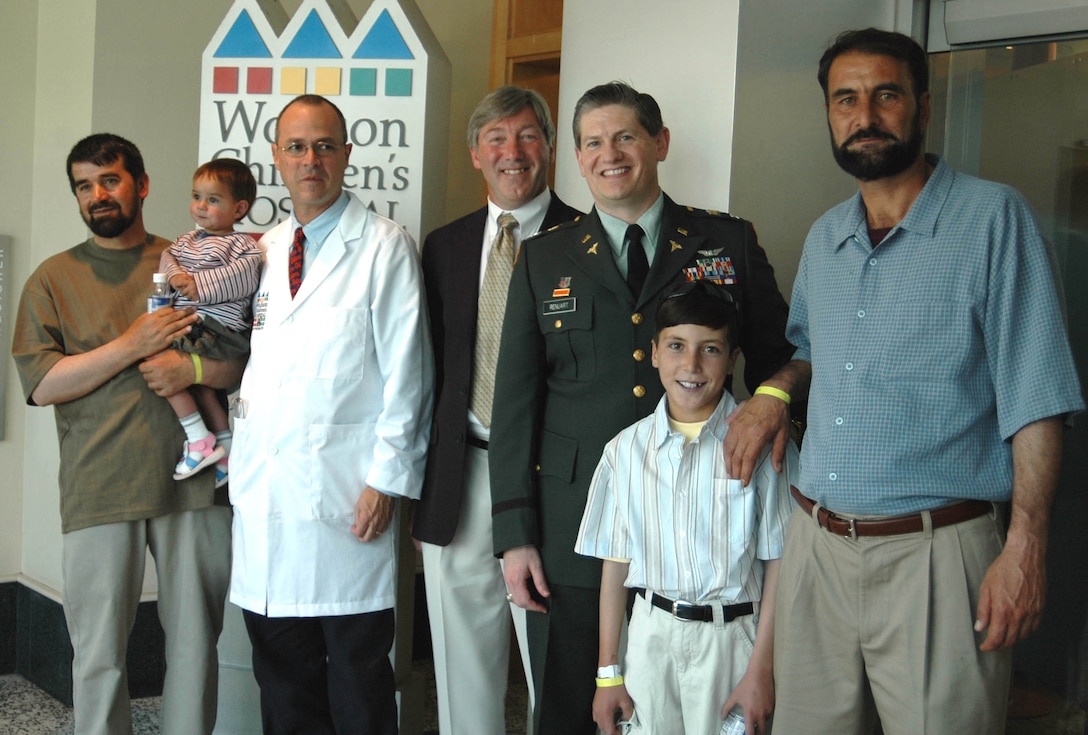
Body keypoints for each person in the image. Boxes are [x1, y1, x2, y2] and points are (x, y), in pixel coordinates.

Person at [769, 29, 1085, 734]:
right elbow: (817, 353)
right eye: (846, 99)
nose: (866, 114)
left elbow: (1038, 399)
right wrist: (774, 393)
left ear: (924, 106)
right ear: (829, 114)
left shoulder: (993, 220)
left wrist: (1025, 546)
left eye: (886, 94)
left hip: (937, 556)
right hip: (816, 548)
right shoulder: (825, 238)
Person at [489, 81, 796, 734]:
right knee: (575, 711)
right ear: (576, 157)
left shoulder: (726, 242)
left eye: (626, 136)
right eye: (593, 142)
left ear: (658, 143)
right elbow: (515, 403)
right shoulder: (546, 257)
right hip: (577, 528)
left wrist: (775, 410)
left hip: (706, 533)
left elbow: (780, 360)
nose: (611, 153)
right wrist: (514, 535)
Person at [12, 133, 238, 735]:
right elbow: (43, 384)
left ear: (140, 184)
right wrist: (131, 346)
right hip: (99, 485)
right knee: (99, 657)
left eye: (108, 180)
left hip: (195, 485)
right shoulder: (51, 279)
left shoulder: (192, 264)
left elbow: (239, 364)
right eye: (84, 186)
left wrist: (188, 368)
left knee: (195, 647)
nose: (96, 195)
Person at [226, 94, 433, 734]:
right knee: (283, 683)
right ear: (277, 160)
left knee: (357, 682)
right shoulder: (264, 250)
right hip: (267, 498)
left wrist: (385, 481)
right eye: (296, 147)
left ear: (346, 154)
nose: (309, 159)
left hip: (346, 500)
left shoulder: (383, 247)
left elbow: (410, 374)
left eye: (323, 145)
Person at [413, 86, 579, 735]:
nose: (513, 152)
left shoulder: (586, 242)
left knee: (555, 669)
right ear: (476, 155)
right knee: (462, 673)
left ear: (549, 147)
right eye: (496, 140)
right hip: (460, 476)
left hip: (547, 486)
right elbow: (428, 369)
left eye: (527, 135)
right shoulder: (445, 245)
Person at [576, 280, 796, 735]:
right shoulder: (625, 452)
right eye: (676, 346)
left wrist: (761, 670)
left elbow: (782, 565)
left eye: (710, 349)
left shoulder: (761, 446)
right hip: (651, 638)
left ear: (731, 358)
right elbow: (614, 569)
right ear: (654, 352)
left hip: (733, 640)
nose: (691, 365)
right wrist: (608, 673)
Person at [158, 158, 261, 485]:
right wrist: (176, 278)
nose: (201, 206)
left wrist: (198, 286)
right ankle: (225, 447)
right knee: (201, 387)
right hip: (193, 323)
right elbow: (167, 259)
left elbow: (244, 275)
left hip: (217, 329)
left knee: (157, 362)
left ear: (238, 208)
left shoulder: (242, 245)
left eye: (213, 200)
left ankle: (198, 440)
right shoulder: (187, 241)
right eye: (196, 196)